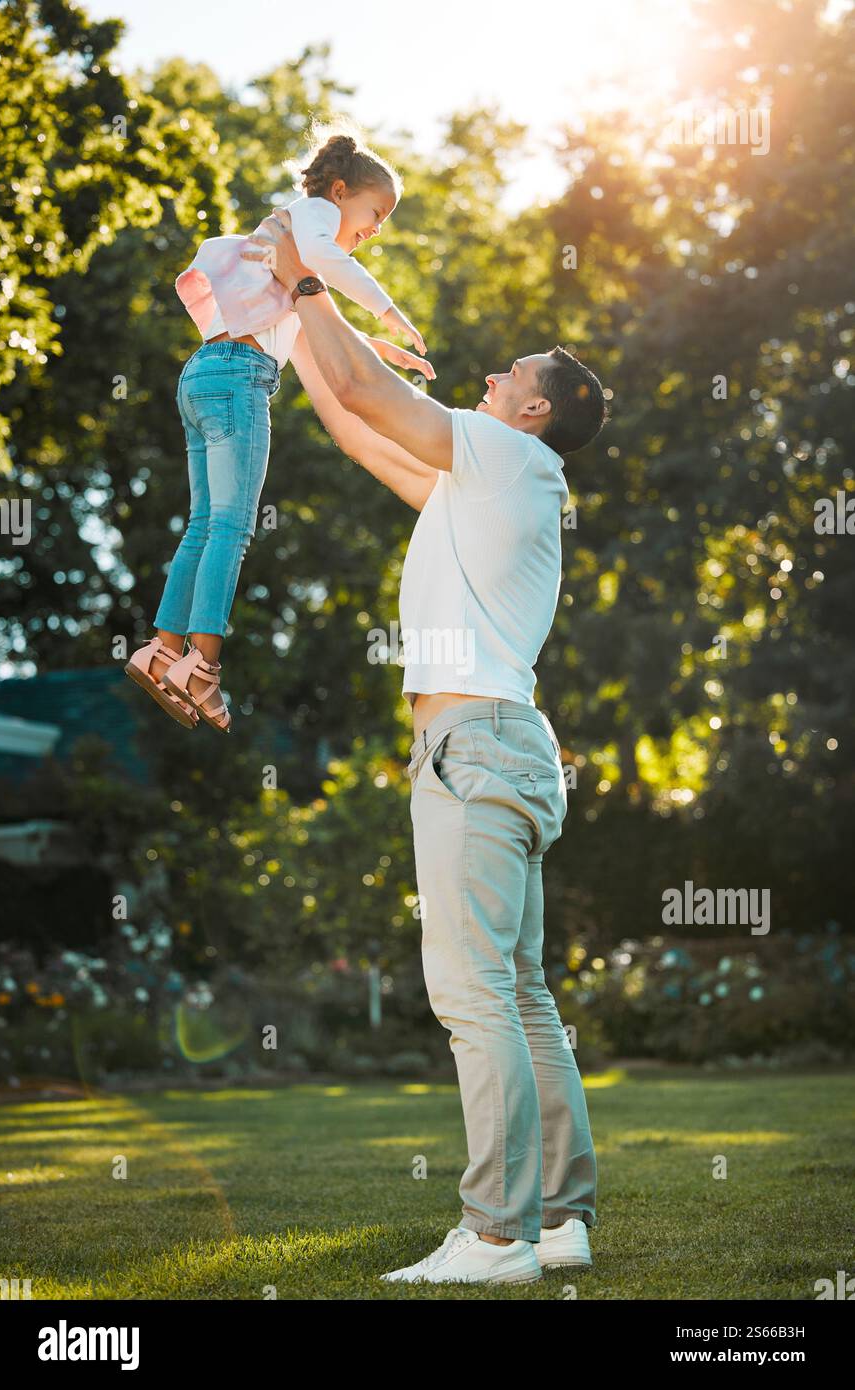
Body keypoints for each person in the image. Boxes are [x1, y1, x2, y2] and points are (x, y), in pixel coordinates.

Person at [244, 210, 607, 1285]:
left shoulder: (504, 455)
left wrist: (305, 279)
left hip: (475, 745)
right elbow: (359, 425)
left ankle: (497, 1233)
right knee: (522, 992)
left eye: (512, 370)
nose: (492, 372)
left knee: (475, 994)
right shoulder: (482, 479)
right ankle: (558, 1220)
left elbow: (371, 396)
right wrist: (289, 320)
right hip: (506, 746)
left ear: (532, 406)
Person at [124, 123, 427, 733]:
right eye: (375, 212)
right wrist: (391, 313)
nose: (376, 229)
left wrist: (378, 349)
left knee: (207, 524)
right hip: (239, 378)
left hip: (204, 374)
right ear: (340, 191)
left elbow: (303, 316)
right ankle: (201, 667)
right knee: (231, 529)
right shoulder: (312, 216)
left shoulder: (289, 235)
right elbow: (326, 265)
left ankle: (161, 649)